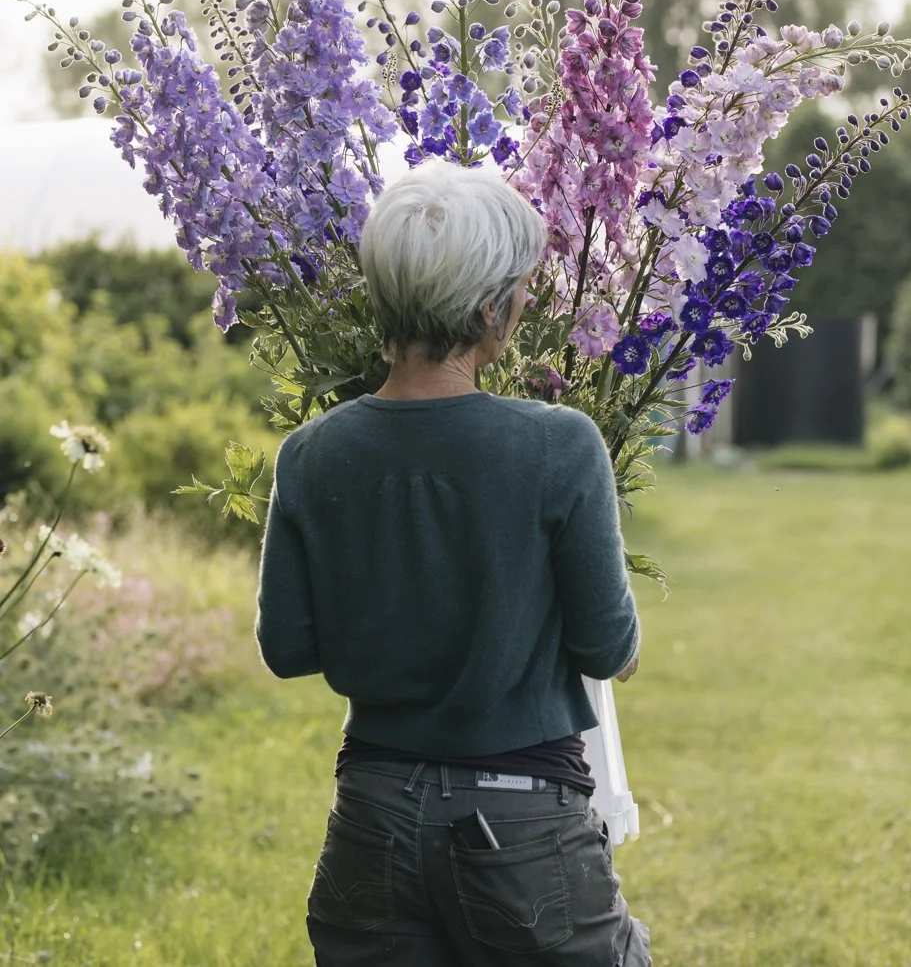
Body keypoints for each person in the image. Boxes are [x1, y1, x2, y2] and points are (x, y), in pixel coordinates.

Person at [255, 159, 652, 965]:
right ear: (487, 311)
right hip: (523, 825)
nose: (527, 300)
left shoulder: (311, 456)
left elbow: (287, 649)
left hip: (369, 823)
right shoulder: (558, 444)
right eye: (521, 287)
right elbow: (609, 647)